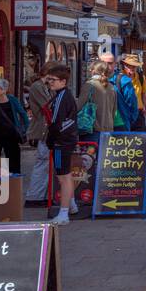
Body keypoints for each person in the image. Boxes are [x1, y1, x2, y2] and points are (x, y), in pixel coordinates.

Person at [40, 62, 80, 225]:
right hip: (66, 139)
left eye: (53, 80)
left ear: (63, 81)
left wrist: (51, 139)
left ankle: (64, 213)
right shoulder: (62, 95)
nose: (50, 83)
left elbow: (56, 122)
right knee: (64, 174)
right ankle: (71, 205)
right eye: (49, 80)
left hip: (61, 141)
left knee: (63, 177)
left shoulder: (62, 96)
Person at [0, 77, 30, 177]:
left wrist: (26, 129)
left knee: (13, 158)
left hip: (11, 135)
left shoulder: (12, 100)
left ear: (4, 90)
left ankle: (15, 181)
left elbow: (23, 114)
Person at [79, 62, 118, 137]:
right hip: (108, 131)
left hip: (91, 130)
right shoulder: (112, 87)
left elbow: (78, 107)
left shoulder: (89, 85)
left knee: (91, 149)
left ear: (93, 71)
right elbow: (114, 111)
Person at [113, 55, 142, 131]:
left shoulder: (141, 77)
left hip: (137, 114)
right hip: (124, 117)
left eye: (134, 66)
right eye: (130, 66)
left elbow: (144, 95)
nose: (132, 68)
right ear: (124, 66)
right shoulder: (119, 78)